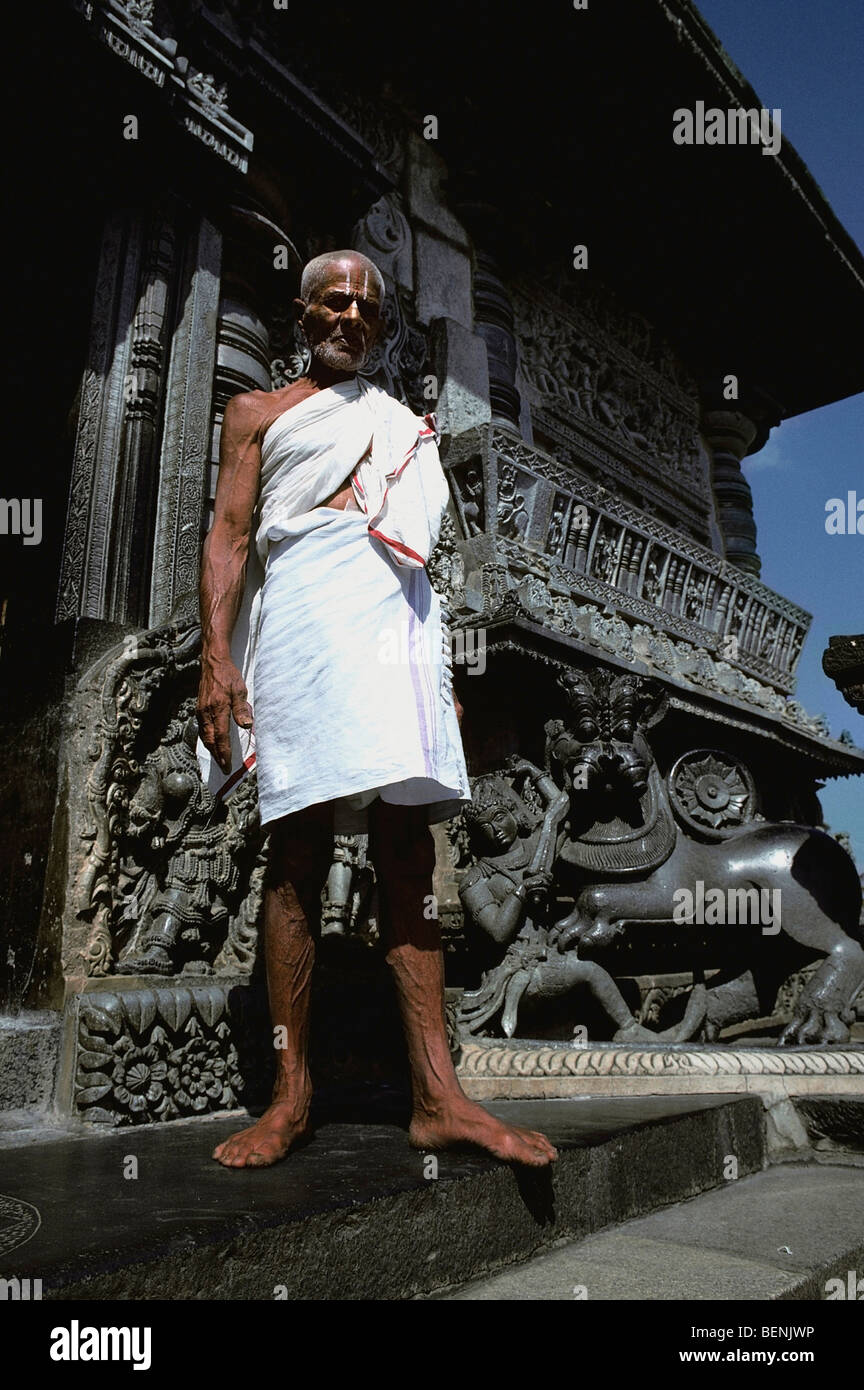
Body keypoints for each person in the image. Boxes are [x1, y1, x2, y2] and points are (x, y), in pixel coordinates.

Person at [196, 249, 558, 1169]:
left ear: (381, 327)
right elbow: (232, 535)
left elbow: (428, 554)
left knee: (408, 851)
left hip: (398, 632)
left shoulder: (401, 424)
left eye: (365, 307)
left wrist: (445, 678)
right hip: (307, 628)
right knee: (297, 848)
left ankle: (438, 1097)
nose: (350, 316)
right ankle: (290, 1098)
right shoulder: (257, 415)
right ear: (302, 312)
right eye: (334, 302)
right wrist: (214, 660)